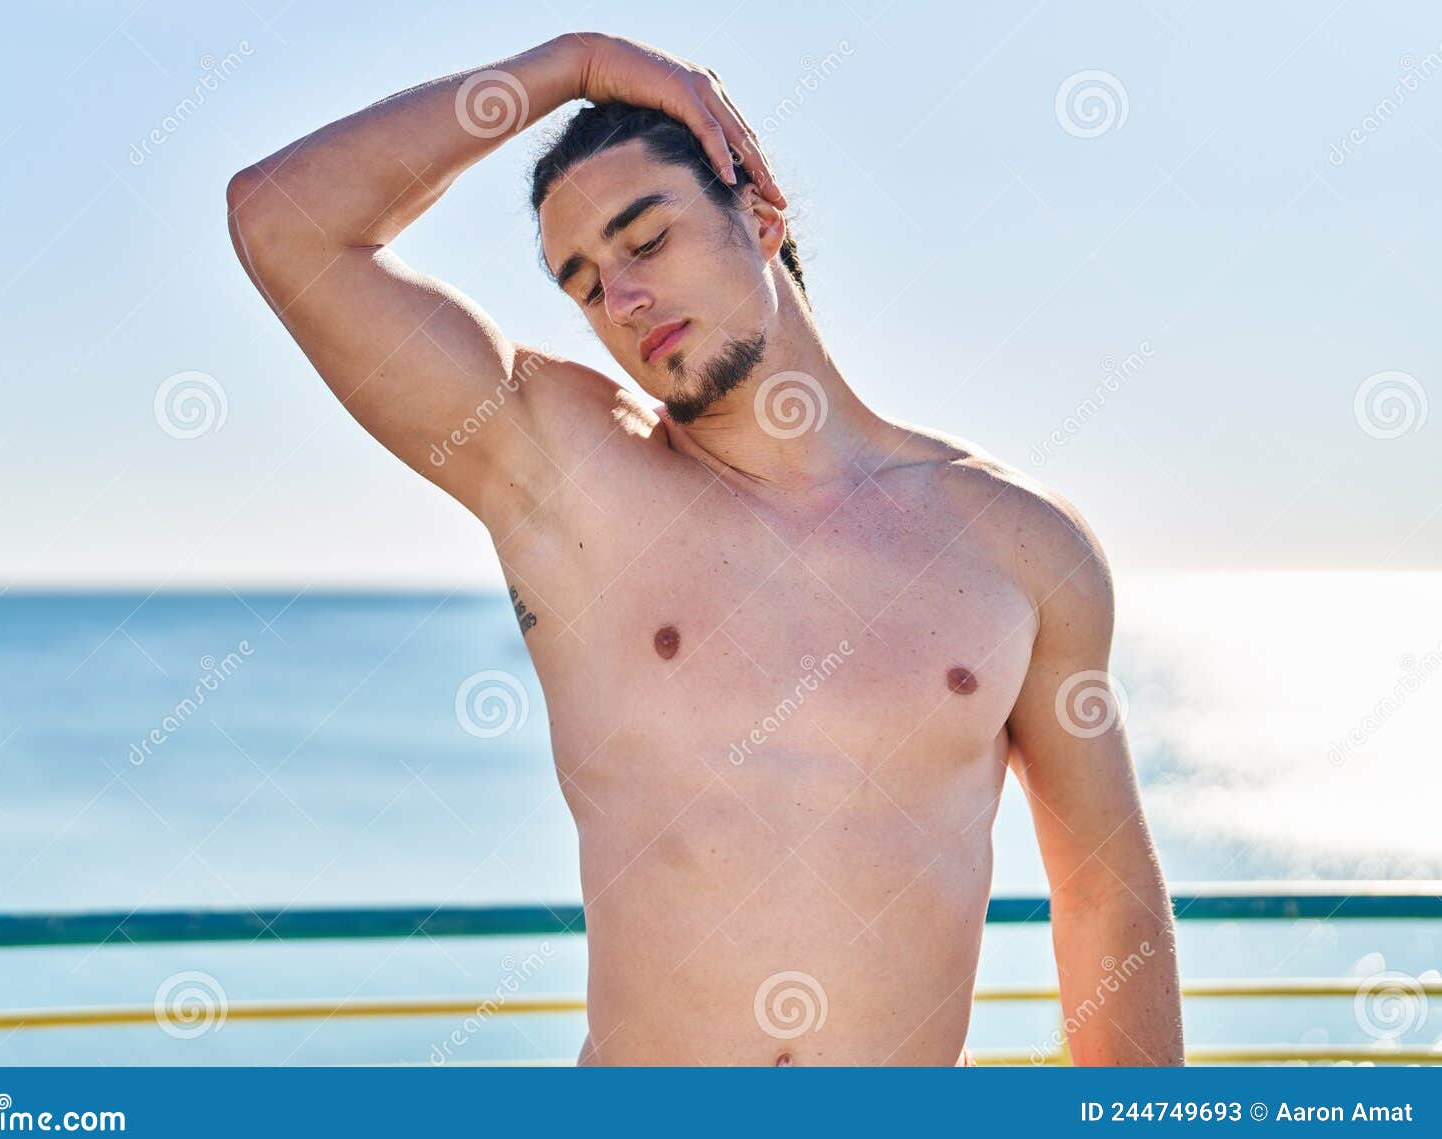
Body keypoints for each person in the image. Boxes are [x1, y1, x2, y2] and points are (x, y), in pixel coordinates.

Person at [226, 31, 1185, 1066]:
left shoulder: (1018, 543)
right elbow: (282, 222)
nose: (623, 301)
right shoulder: (563, 472)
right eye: (584, 283)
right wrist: (575, 63)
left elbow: (1104, 900)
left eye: (646, 240)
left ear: (761, 217)